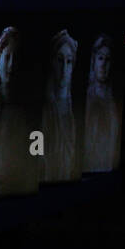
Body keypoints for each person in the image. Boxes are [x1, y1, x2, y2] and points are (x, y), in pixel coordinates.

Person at [0, 27, 35, 196]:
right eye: (7, 57)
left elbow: (36, 152)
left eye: (15, 59)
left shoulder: (27, 113)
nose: (10, 65)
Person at [40, 30, 79, 182]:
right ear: (52, 62)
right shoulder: (44, 107)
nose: (64, 69)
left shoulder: (72, 108)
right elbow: (35, 149)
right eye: (60, 60)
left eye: (69, 62)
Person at [82, 34, 120, 172]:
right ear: (94, 61)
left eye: (107, 59)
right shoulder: (87, 97)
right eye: (100, 58)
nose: (103, 64)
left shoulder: (113, 103)